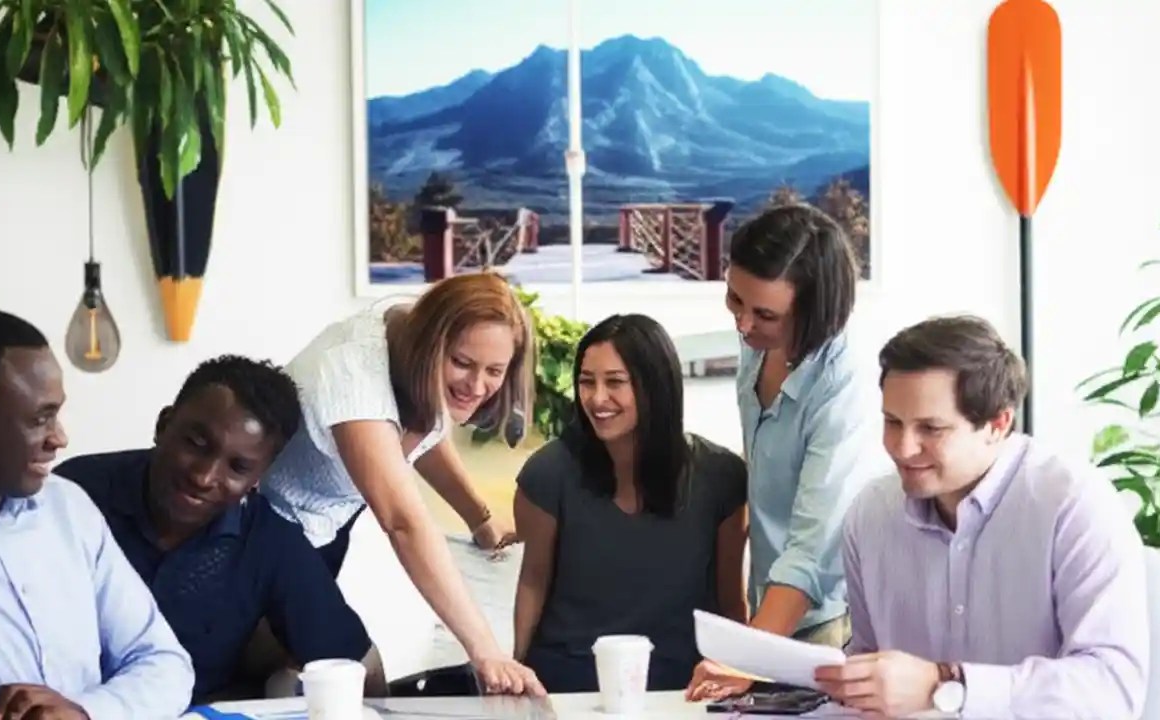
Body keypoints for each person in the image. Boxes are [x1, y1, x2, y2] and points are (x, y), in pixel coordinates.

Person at [813, 315, 1149, 718]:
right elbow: (868, 667)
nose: (902, 448)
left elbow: (1112, 690)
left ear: (997, 423)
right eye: (892, 422)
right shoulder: (870, 515)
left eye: (931, 429)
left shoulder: (1073, 505)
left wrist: (946, 684)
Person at [260, 272, 545, 696]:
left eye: (495, 371)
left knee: (297, 667)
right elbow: (402, 522)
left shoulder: (415, 361)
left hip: (323, 528)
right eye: (463, 363)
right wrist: (486, 652)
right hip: (263, 527)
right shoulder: (355, 375)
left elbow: (424, 435)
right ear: (431, 345)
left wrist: (478, 517)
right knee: (359, 675)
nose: (477, 385)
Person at [54, 355, 386, 704]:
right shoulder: (74, 494)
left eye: (238, 467)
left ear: (259, 477)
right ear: (164, 424)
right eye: (196, 444)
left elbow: (357, 667)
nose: (204, 477)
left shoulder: (270, 542)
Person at [688, 203, 884, 700]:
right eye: (735, 300)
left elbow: (812, 554)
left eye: (765, 314)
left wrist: (745, 657)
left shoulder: (843, 385)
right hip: (770, 598)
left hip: (826, 619)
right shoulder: (758, 342)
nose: (744, 325)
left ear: (814, 315)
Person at [0, 307, 194, 719]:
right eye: (40, 419)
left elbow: (164, 663)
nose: (60, 438)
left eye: (57, 413)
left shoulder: (67, 508)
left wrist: (85, 714)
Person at [513, 314, 749, 692]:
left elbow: (731, 602)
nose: (597, 398)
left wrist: (736, 676)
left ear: (655, 386)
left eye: (616, 382)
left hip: (682, 687)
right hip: (567, 683)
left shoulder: (721, 477)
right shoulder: (547, 473)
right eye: (586, 381)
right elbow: (532, 583)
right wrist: (516, 673)